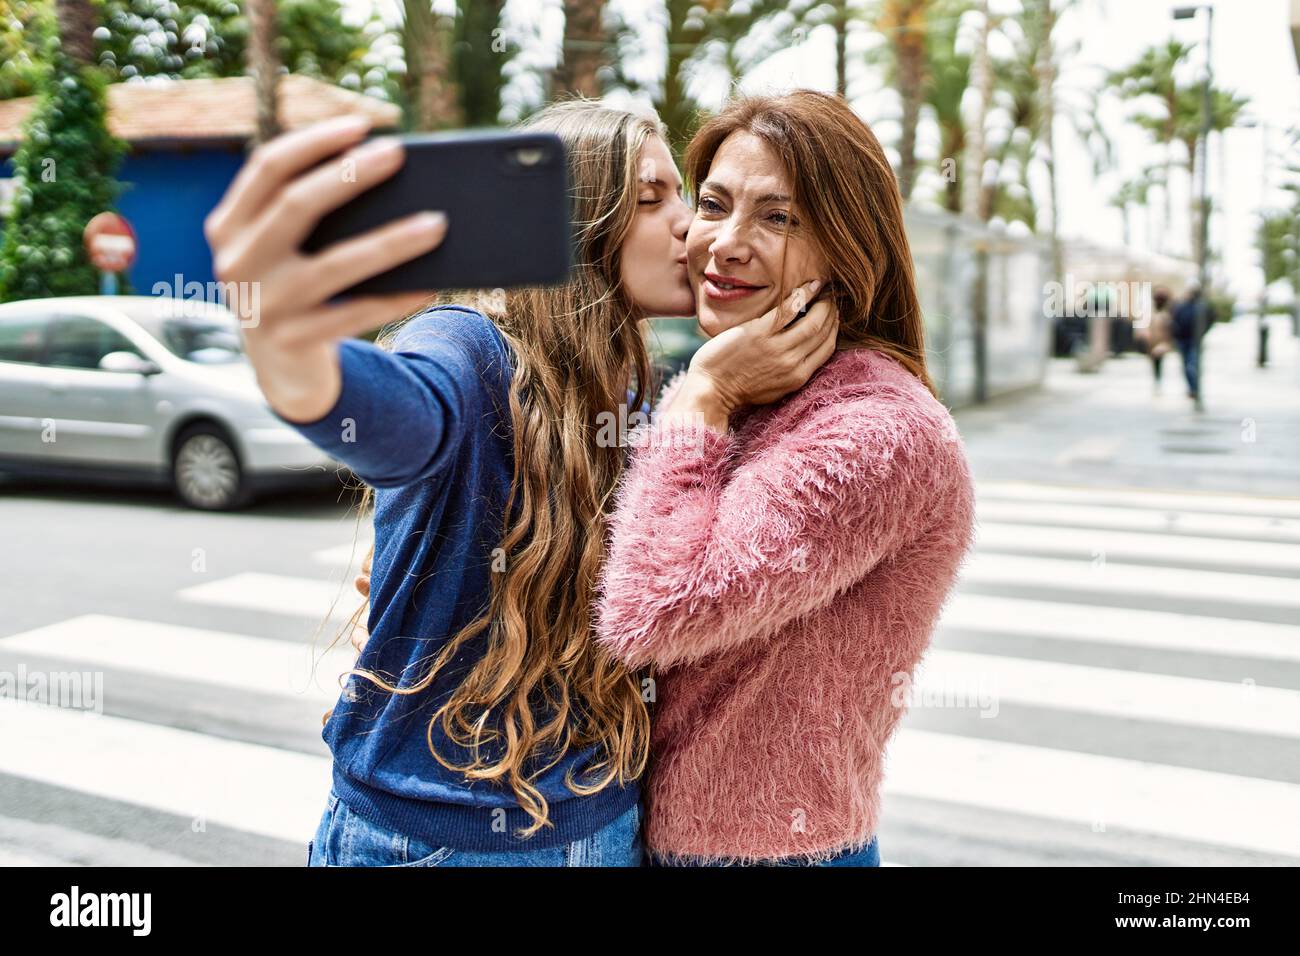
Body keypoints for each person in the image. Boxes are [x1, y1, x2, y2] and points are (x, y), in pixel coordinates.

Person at [205, 101, 840, 866]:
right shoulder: (469, 346)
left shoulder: (637, 389)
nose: (687, 226)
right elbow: (396, 417)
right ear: (564, 226)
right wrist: (293, 358)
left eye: (686, 197)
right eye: (649, 198)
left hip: (604, 826)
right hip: (440, 840)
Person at [592, 91, 977, 867]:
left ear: (846, 249)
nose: (725, 244)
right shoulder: (761, 385)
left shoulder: (880, 432)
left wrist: (703, 396)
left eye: (780, 218)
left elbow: (650, 613)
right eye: (714, 204)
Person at [1171, 284, 1215, 403]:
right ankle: (1192, 388)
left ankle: (1195, 388)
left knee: (1192, 366)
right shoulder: (1181, 306)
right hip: (1182, 340)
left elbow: (1210, 319)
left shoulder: (1202, 307)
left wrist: (1202, 333)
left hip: (1194, 341)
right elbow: (1174, 320)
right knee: (1186, 366)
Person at [1137, 285, 1176, 393]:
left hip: (1161, 343)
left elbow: (1170, 331)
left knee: (1158, 362)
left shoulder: (1167, 314)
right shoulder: (1151, 313)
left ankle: (1158, 382)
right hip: (1152, 342)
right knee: (1155, 363)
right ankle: (1157, 381)